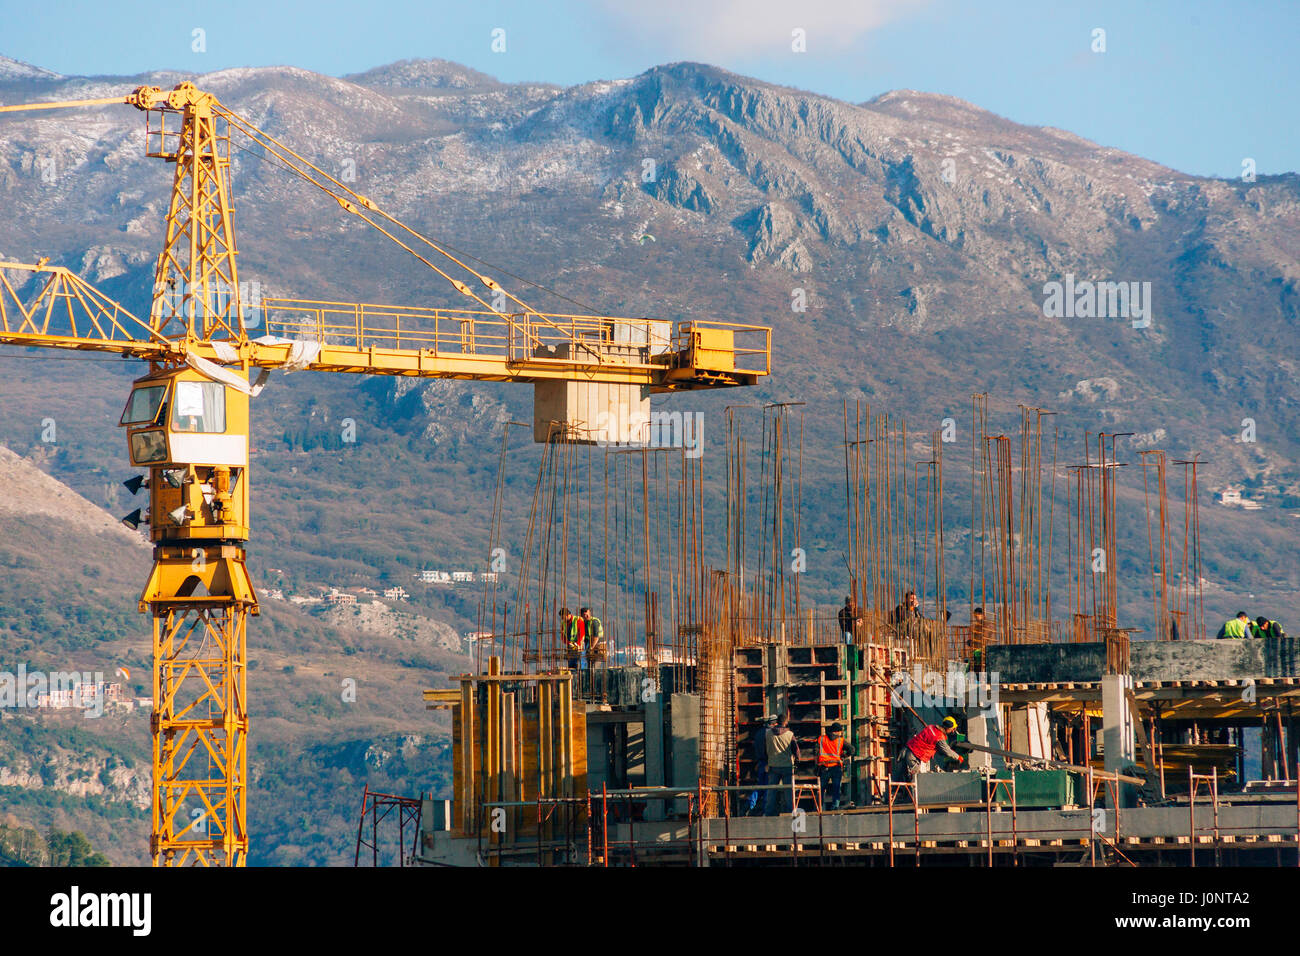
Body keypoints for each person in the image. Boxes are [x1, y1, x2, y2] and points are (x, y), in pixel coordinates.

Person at [893, 716, 963, 782]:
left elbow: (929, 742)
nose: (953, 731)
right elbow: (947, 751)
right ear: (947, 728)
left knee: (898, 777)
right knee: (916, 781)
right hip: (914, 757)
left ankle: (895, 791)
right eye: (952, 729)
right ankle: (906, 794)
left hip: (906, 750)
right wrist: (958, 757)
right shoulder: (939, 737)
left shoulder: (931, 727)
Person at [764, 713, 801, 816]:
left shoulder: (768, 734)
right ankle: (791, 813)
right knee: (789, 792)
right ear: (785, 722)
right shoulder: (790, 734)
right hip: (787, 766)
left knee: (771, 791)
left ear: (776, 722)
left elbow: (764, 749)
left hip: (773, 766)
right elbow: (796, 751)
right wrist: (797, 761)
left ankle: (768, 813)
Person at [816, 722, 854, 810]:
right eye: (840, 731)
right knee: (836, 789)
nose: (841, 733)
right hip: (836, 767)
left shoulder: (821, 739)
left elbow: (816, 752)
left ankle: (819, 808)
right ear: (837, 731)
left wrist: (817, 765)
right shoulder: (840, 740)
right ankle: (835, 807)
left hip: (824, 767)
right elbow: (852, 749)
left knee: (821, 789)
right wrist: (844, 756)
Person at [747, 715, 776, 815]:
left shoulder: (758, 733)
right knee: (768, 787)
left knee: (761, 785)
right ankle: (766, 811)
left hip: (760, 763)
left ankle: (750, 803)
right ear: (773, 723)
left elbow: (756, 748)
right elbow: (768, 750)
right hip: (768, 763)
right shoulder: (770, 734)